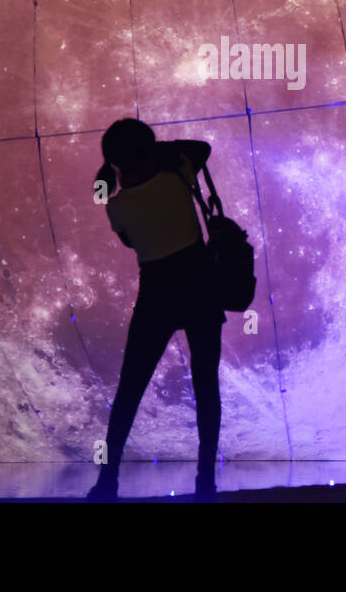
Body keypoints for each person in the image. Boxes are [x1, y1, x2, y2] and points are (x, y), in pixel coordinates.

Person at [86, 118, 226, 502]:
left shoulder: (117, 207)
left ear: (115, 164)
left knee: (130, 389)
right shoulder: (178, 173)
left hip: (156, 295)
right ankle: (205, 482)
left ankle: (107, 481)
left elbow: (131, 243)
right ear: (150, 151)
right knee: (206, 387)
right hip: (200, 288)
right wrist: (161, 150)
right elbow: (201, 149)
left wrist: (109, 175)